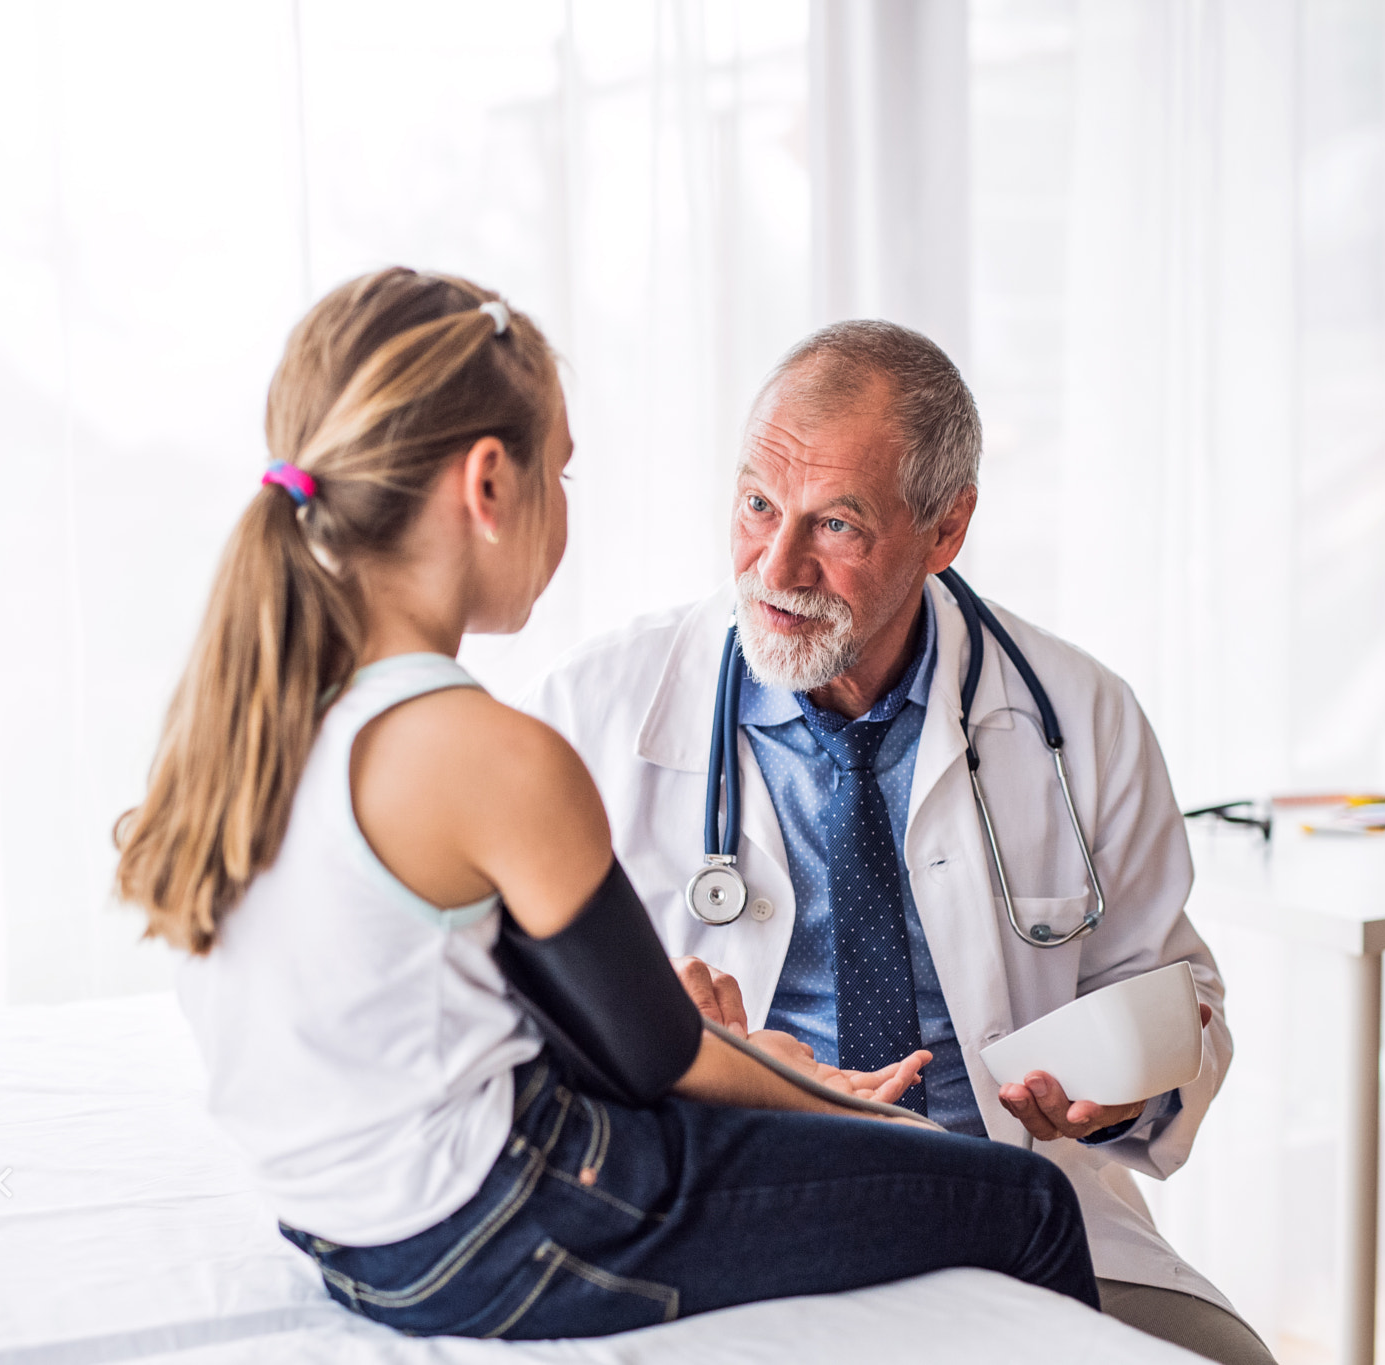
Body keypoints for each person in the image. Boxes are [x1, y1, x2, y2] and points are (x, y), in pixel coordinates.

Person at [110, 269, 1101, 1341]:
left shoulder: (268, 710)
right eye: (561, 472)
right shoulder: (489, 752)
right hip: (500, 1232)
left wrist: (748, 1059)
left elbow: (446, 1011)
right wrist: (853, 1114)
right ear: (489, 484)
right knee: (1025, 1201)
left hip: (353, 1238)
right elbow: (657, 1061)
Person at [527, 320, 1276, 1365]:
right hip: (731, 1195)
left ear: (944, 527)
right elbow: (506, 1034)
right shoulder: (593, 711)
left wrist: (1129, 1085)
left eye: (834, 524)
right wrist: (648, 1044)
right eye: (755, 505)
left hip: (1007, 1195)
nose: (774, 565)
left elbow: (1175, 994)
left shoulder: (1080, 715)